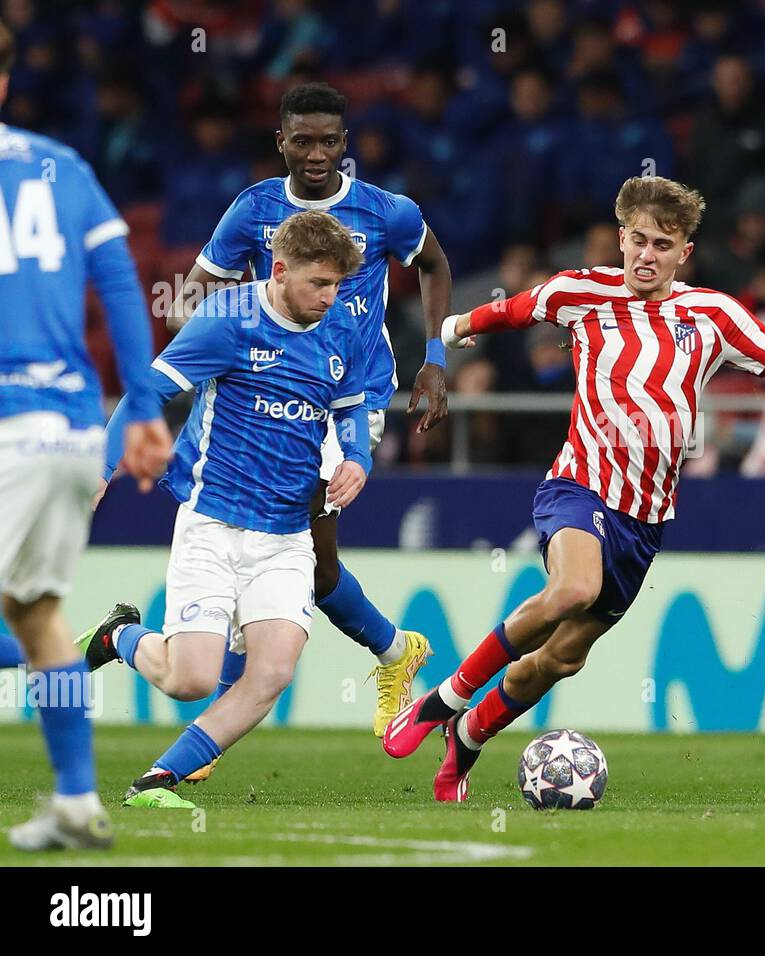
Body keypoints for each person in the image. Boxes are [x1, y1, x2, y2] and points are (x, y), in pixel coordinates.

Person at [382, 176, 765, 802]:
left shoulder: (713, 316)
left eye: (663, 243)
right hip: (578, 485)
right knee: (574, 586)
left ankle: (465, 740)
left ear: (684, 252)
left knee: (560, 660)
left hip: (645, 519)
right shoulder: (581, 291)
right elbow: (490, 315)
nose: (646, 255)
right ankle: (440, 703)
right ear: (621, 237)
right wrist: (439, 355)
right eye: (637, 240)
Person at [165, 83, 453, 744]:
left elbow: (434, 263)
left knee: (298, 545)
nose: (317, 153)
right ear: (281, 142)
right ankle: (393, 651)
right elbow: (198, 292)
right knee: (310, 564)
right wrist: (223, 326)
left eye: (329, 140)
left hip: (348, 399)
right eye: (303, 140)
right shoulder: (253, 209)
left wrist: (435, 356)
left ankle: (219, 724)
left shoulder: (386, 212)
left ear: (345, 144)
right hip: (263, 397)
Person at [77, 211, 371, 809]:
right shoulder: (228, 320)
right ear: (281, 269)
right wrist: (103, 468)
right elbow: (148, 391)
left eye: (338, 284)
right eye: (319, 283)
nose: (330, 296)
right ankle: (118, 637)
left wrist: (358, 458)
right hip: (213, 523)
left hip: (288, 536)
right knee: (191, 680)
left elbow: (350, 407)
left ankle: (157, 780)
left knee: (273, 672)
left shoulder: (341, 328)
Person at [0, 20, 171, 850]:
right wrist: (138, 407)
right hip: (71, 428)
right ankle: (74, 802)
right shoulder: (60, 166)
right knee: (36, 619)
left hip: (6, 425)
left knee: (32, 618)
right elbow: (119, 279)